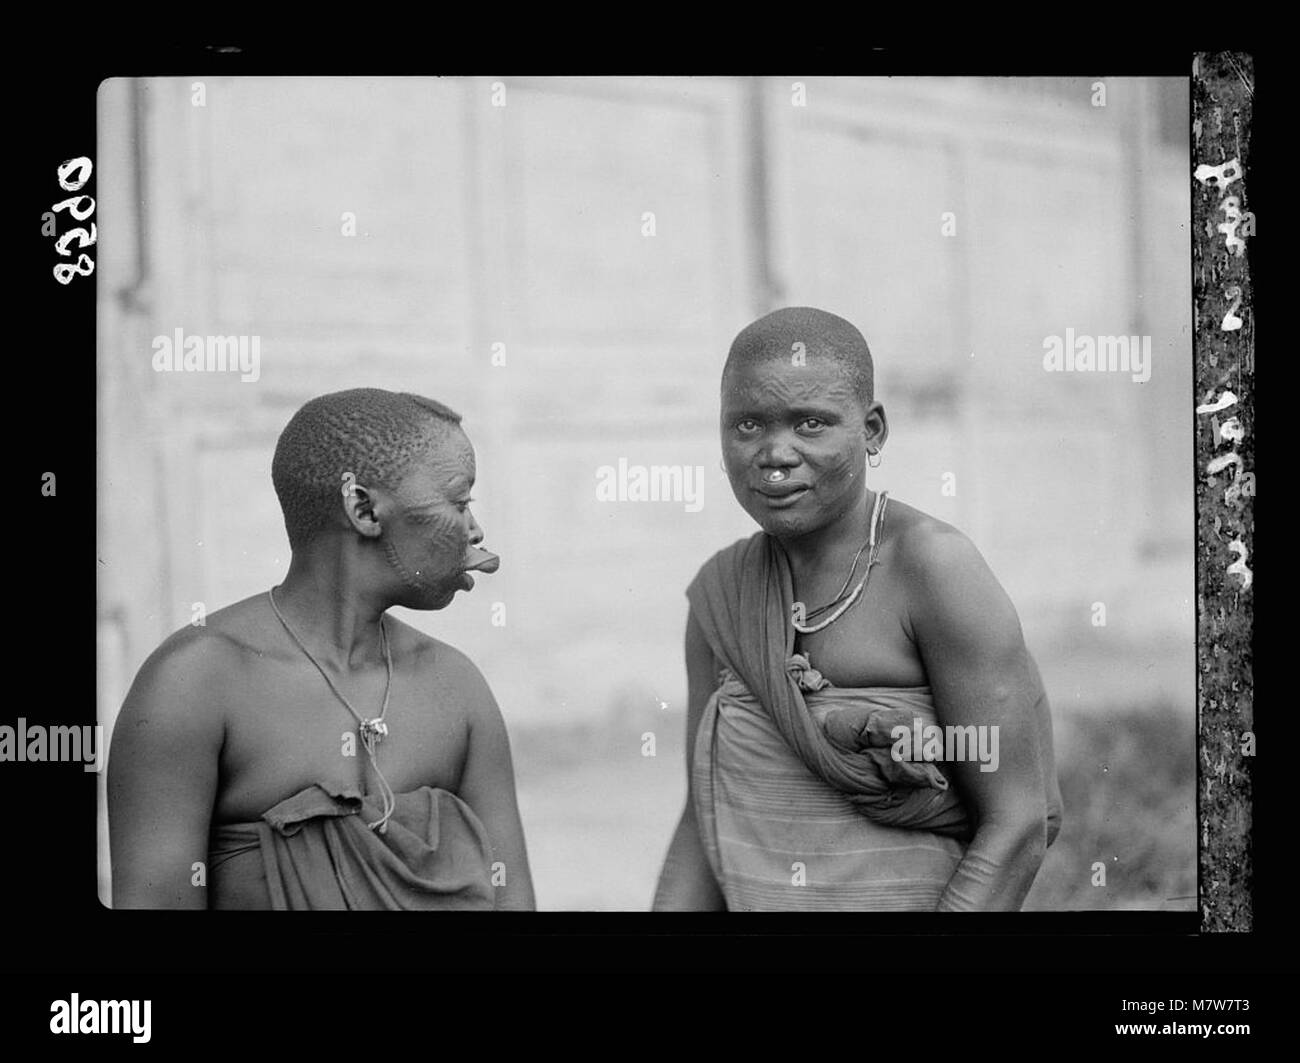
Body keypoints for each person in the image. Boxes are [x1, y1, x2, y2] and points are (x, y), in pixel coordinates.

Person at [653, 307, 1062, 911]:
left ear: (871, 431)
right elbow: (701, 818)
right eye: (746, 426)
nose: (775, 454)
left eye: (811, 424)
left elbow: (1018, 823)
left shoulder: (933, 568)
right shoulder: (722, 595)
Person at [109, 388, 534, 910]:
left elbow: (513, 903)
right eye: (459, 501)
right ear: (363, 509)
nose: (475, 530)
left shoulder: (456, 688)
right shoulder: (193, 684)